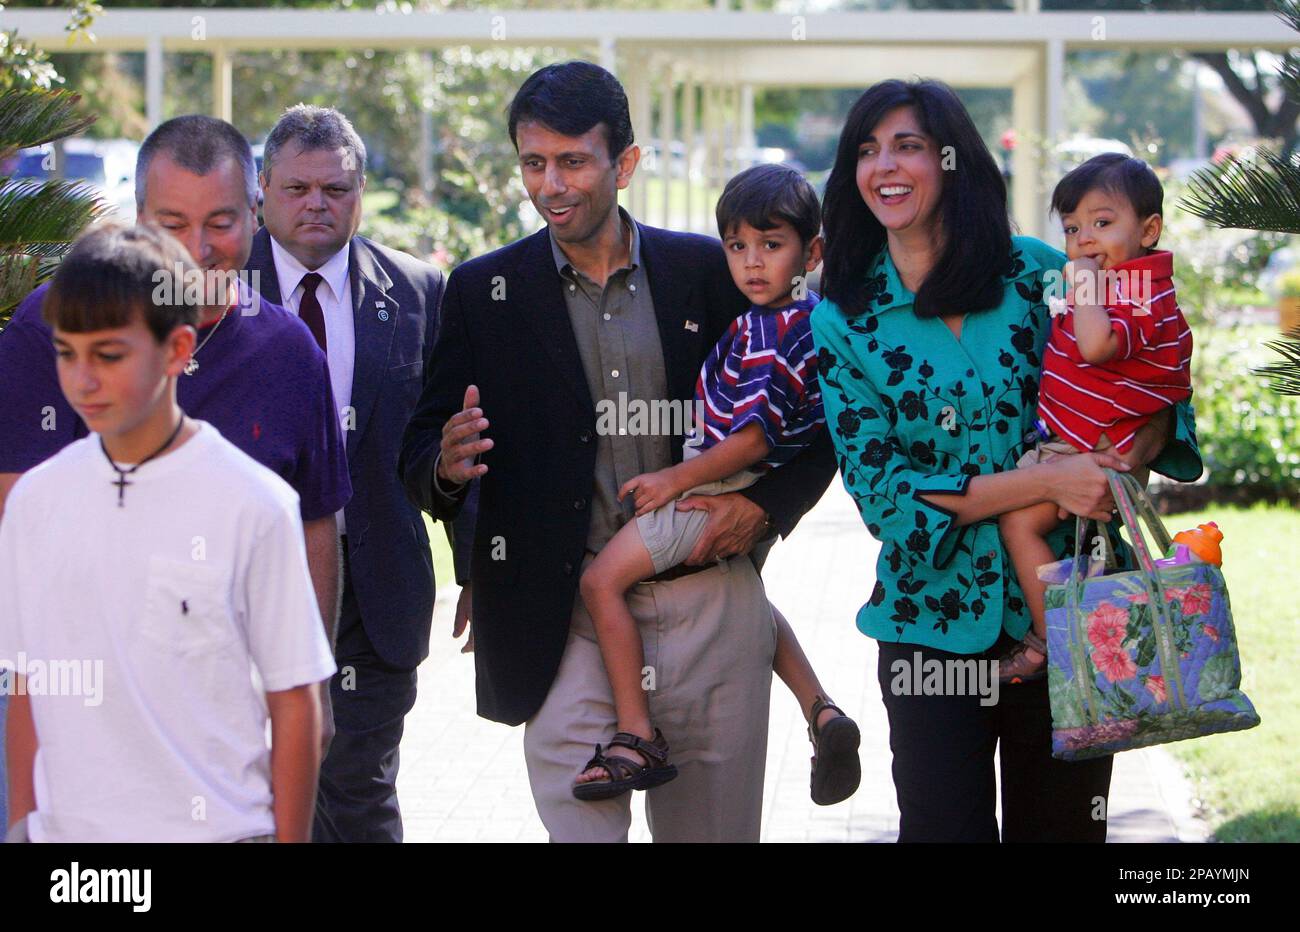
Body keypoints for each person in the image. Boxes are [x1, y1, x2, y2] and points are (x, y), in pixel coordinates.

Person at [400, 61, 836, 842]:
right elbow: (424, 452)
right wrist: (445, 463)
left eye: (572, 161)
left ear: (624, 164)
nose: (550, 184)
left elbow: (819, 411)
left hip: (711, 610)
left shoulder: (713, 269)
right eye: (534, 163)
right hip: (565, 621)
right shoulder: (480, 291)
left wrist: (762, 508)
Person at [809, 79, 1202, 842]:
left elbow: (1158, 378)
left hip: (1080, 613)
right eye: (866, 150)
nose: (883, 166)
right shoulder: (843, 316)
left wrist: (1130, 453)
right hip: (931, 630)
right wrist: (1045, 480)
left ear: (953, 161)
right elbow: (887, 499)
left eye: (908, 146)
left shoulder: (1037, 273)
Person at [0, 115, 350, 837]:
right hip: (88, 778)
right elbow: (26, 613)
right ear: (137, 220)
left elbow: (315, 529)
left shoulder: (288, 354)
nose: (197, 248)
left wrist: (306, 693)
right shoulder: (49, 330)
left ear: (254, 214)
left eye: (221, 221)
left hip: (226, 767)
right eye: (172, 222)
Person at [573, 163, 860, 806]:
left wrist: (673, 480)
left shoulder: (781, 331)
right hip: (730, 481)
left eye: (771, 244)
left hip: (719, 485)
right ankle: (821, 709)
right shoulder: (795, 317)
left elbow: (754, 437)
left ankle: (635, 732)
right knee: (749, 597)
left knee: (600, 581)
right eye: (737, 246)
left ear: (811, 251)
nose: (752, 263)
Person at [248, 104, 474, 843]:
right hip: (241, 589)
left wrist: (476, 563)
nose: (317, 203)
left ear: (361, 190)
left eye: (336, 189)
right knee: (249, 792)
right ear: (262, 190)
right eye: (297, 188)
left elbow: (449, 441)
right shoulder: (212, 288)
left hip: (373, 591)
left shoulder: (415, 292)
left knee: (356, 790)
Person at [996, 153, 1192, 683]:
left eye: (1102, 224)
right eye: (1072, 228)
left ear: (1149, 230)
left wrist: (1081, 286)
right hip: (1087, 442)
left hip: (1091, 448)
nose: (1084, 240)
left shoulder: (1139, 291)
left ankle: (1054, 643)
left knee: (1018, 521)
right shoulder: (1120, 285)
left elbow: (1096, 345)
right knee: (1086, 550)